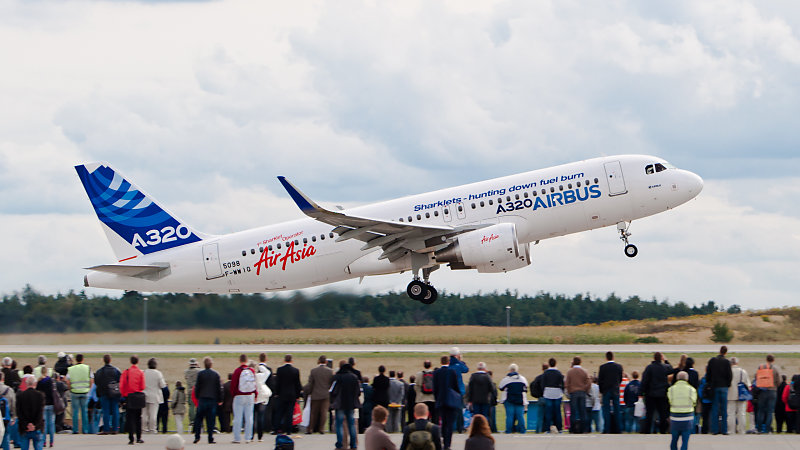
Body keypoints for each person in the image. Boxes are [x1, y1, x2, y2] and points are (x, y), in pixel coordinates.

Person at [331, 360, 361, 450]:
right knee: (351, 424)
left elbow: (332, 390)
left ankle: (339, 444)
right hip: (351, 403)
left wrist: (333, 400)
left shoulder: (337, 377)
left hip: (340, 403)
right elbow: (358, 392)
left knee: (339, 424)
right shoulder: (354, 377)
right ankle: (353, 444)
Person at [640, 352, 672, 434]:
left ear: (654, 358)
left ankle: (647, 431)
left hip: (651, 394)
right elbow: (671, 369)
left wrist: (641, 392)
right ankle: (662, 431)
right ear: (661, 358)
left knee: (649, 414)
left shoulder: (649, 368)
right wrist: (666, 360)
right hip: (662, 394)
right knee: (662, 414)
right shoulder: (664, 367)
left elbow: (645, 381)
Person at [433, 356, 460, 449]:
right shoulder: (452, 372)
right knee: (450, 423)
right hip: (450, 400)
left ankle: (443, 441)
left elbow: (435, 388)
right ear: (448, 362)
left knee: (443, 422)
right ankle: (448, 444)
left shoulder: (436, 373)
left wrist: (437, 399)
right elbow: (456, 386)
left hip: (441, 400)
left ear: (441, 362)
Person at [193, 357, 222, 444]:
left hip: (202, 399)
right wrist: (220, 399)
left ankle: (197, 436)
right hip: (212, 400)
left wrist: (198, 396)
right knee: (211, 420)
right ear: (211, 364)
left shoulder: (200, 374)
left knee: (198, 418)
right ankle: (210, 437)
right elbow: (219, 388)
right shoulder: (216, 374)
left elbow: (197, 387)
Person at [667, 371, 697, 450]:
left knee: (674, 439)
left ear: (677, 378)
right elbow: (694, 402)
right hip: (687, 417)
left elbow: (670, 401)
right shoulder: (691, 389)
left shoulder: (671, 389)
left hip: (674, 417)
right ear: (687, 379)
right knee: (685, 441)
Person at [706, 346, 732, 434]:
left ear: (719, 351)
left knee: (715, 409)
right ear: (726, 352)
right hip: (724, 387)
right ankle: (724, 430)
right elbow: (729, 375)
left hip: (715, 386)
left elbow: (708, 373)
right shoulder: (727, 362)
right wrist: (728, 384)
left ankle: (715, 430)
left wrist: (709, 384)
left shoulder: (712, 361)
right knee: (724, 409)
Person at [120, 355, 146, 445]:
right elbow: (143, 386)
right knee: (138, 418)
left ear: (131, 361)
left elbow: (122, 385)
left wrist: (124, 395)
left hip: (129, 397)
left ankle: (131, 438)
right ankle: (139, 437)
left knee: (130, 418)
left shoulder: (126, 372)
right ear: (138, 362)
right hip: (138, 397)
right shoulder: (140, 372)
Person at [231, 354, 257, 443]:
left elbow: (233, 384)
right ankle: (248, 437)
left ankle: (237, 438)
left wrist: (233, 394)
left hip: (239, 395)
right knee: (249, 417)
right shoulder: (251, 371)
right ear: (247, 361)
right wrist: (255, 394)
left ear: (240, 360)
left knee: (238, 418)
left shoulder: (237, 371)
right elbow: (255, 384)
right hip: (250, 395)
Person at [274, 354, 301, 435]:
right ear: (292, 361)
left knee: (279, 412)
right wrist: (298, 395)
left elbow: (277, 383)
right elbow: (297, 384)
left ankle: (276, 429)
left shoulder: (280, 370)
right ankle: (288, 430)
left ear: (284, 360)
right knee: (289, 413)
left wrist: (277, 393)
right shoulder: (295, 371)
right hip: (292, 395)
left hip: (282, 394)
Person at [65, 353, 92, 435]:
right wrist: (88, 389)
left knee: (75, 412)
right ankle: (85, 430)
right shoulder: (87, 368)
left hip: (74, 392)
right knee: (84, 412)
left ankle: (75, 430)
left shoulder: (71, 369)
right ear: (83, 359)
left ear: (76, 360)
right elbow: (91, 380)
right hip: (85, 392)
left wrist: (70, 389)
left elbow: (67, 381)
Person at [94, 354, 121, 435]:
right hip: (114, 392)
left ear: (103, 360)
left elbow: (96, 382)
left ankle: (106, 429)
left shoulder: (100, 371)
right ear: (110, 360)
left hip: (104, 393)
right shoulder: (116, 370)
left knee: (106, 411)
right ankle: (115, 429)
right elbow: (120, 380)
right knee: (115, 410)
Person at [307, 355, 334, 434]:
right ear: (326, 362)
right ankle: (321, 429)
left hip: (315, 394)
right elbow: (331, 383)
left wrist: (309, 392)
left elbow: (310, 383)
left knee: (313, 413)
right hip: (325, 394)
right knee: (324, 412)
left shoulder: (313, 371)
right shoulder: (330, 371)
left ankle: (310, 429)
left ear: (318, 361)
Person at [16, 377, 44, 450]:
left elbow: (19, 412)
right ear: (35, 384)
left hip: (24, 427)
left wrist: (26, 424)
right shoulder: (40, 395)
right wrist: (35, 425)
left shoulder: (20, 396)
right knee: (38, 446)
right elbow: (40, 412)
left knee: (24, 447)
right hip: (37, 427)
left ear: (26, 384)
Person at [498, 363, 528, 434]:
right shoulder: (522, 378)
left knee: (509, 416)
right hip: (520, 400)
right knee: (520, 416)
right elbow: (526, 388)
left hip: (509, 400)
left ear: (510, 370)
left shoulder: (506, 379)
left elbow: (500, 387)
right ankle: (522, 430)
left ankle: (509, 430)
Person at [755, 354, 781, 433]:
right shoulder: (775, 368)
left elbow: (756, 377)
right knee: (770, 411)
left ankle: (759, 429)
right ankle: (767, 429)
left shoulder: (760, 367)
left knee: (761, 410)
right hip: (772, 391)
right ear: (773, 360)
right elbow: (779, 381)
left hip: (762, 391)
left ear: (766, 359)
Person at [598, 351, 623, 433]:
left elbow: (600, 380)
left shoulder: (602, 367)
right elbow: (620, 379)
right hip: (615, 390)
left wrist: (602, 390)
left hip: (606, 390)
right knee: (617, 410)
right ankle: (618, 429)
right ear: (613, 357)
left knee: (606, 410)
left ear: (606, 358)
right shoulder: (619, 367)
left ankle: (607, 429)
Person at [565, 357, 590, 434]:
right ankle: (584, 429)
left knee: (573, 411)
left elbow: (566, 383)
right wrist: (585, 390)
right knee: (583, 411)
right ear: (580, 362)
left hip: (573, 393)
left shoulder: (570, 372)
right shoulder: (584, 371)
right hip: (582, 392)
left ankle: (572, 429)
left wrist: (570, 391)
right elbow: (589, 382)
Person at [143, 358, 167, 434]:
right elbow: (162, 385)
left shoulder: (144, 372)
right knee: (153, 415)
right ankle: (152, 429)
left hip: (144, 395)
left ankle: (143, 429)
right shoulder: (158, 373)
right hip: (155, 395)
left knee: (144, 414)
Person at [33, 367, 55, 448]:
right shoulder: (50, 381)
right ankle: (51, 441)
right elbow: (53, 392)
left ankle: (44, 441)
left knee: (44, 424)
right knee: (51, 424)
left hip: (43, 404)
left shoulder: (39, 381)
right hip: (51, 404)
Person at [541, 358, 564, 433]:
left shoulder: (546, 373)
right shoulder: (559, 373)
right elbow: (562, 384)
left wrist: (544, 391)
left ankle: (547, 429)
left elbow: (543, 384)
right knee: (557, 412)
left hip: (548, 393)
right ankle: (559, 428)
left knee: (548, 412)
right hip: (557, 393)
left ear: (549, 364)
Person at [254, 359, 272, 441]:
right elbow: (268, 372)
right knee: (260, 418)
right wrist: (261, 365)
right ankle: (260, 436)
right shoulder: (260, 377)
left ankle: (250, 436)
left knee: (252, 418)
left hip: (253, 399)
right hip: (261, 399)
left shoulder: (252, 376)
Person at [1, 371, 17, 450]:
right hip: (5, 416)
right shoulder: (9, 390)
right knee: (6, 436)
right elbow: (13, 403)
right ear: (3, 379)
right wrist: (13, 416)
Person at [184, 358, 200, 431]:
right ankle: (197, 418)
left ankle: (192, 420)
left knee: (191, 405)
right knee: (197, 405)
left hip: (190, 390)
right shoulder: (199, 371)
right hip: (197, 390)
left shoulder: (186, 372)